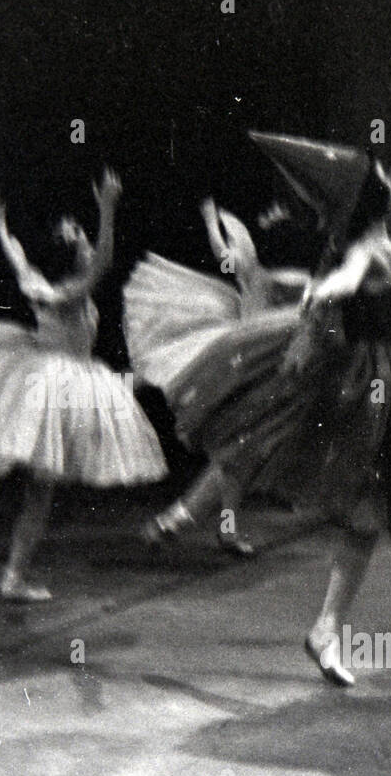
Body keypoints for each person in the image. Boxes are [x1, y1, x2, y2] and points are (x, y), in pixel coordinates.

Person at [173, 88, 391, 685]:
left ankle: (324, 629)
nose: (388, 188)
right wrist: (326, 292)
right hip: (364, 384)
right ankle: (202, 521)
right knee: (331, 490)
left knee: (364, 518)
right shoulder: (363, 251)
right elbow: (348, 277)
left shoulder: (377, 217)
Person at [0, 170, 167, 601]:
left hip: (51, 378)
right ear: (70, 251)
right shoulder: (70, 292)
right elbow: (103, 264)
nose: (84, 238)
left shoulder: (38, 283)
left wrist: (3, 230)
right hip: (59, 382)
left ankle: (13, 574)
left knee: (41, 488)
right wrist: (108, 211)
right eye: (77, 234)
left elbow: (19, 258)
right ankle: (13, 575)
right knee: (41, 489)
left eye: (80, 231)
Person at [124, 197, 313, 555]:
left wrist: (212, 221)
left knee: (239, 458)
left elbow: (223, 253)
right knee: (238, 455)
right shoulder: (300, 282)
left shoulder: (252, 267)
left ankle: (223, 529)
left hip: (245, 364)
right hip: (259, 373)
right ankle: (176, 518)